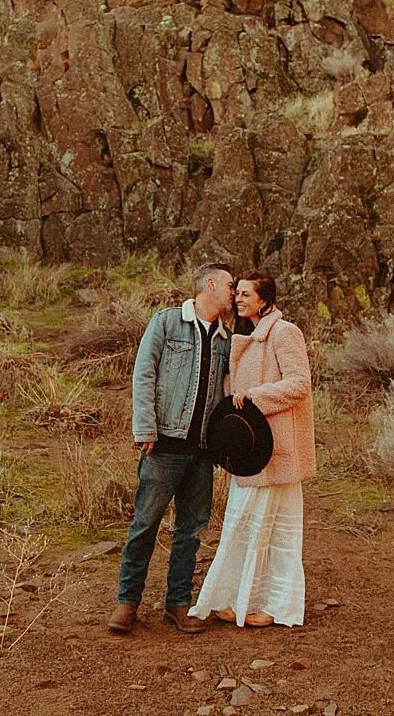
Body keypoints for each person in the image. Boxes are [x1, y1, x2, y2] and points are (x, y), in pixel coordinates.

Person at [108, 261, 235, 635]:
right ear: (210, 284)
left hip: (203, 452)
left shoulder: (226, 339)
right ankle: (127, 603)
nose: (234, 292)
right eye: (230, 285)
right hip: (163, 445)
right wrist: (145, 427)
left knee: (191, 531)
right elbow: (144, 373)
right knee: (145, 524)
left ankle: (177, 604)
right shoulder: (166, 323)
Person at [190, 269, 316, 628]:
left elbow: (299, 384)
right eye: (238, 293)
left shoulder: (284, 332)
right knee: (244, 526)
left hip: (276, 450)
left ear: (265, 300)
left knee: (274, 532)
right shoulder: (244, 336)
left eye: (246, 294)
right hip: (252, 451)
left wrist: (255, 397)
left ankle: (277, 606)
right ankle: (238, 599)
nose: (239, 298)